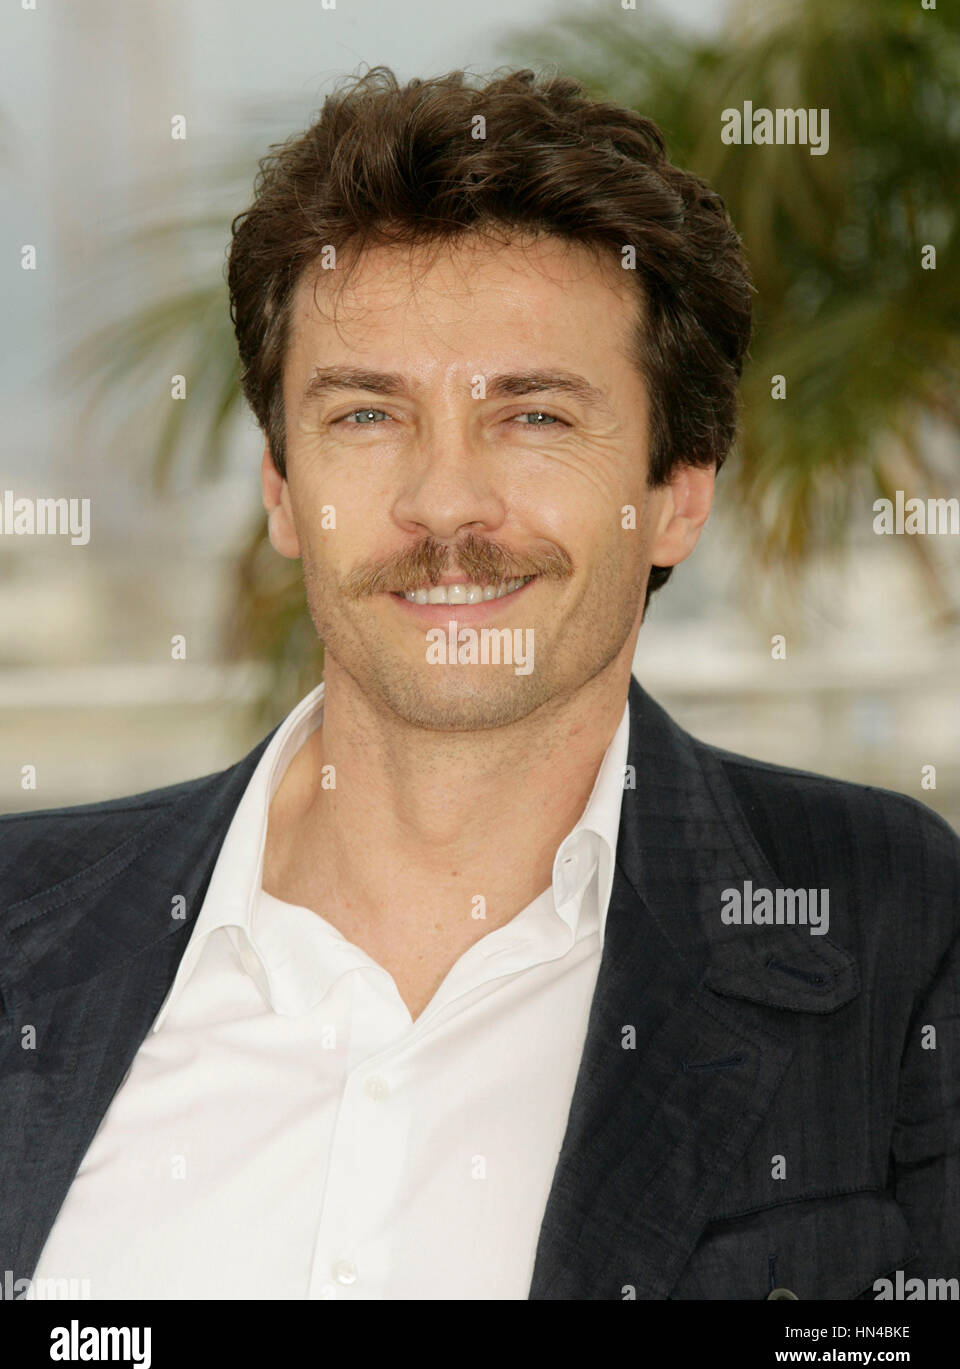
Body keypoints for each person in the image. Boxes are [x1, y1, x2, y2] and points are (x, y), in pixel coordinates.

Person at [1, 66, 957, 1302]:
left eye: (537, 417)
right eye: (364, 417)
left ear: (679, 492)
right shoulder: (20, 927)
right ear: (283, 492)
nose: (445, 502)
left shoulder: (892, 923)